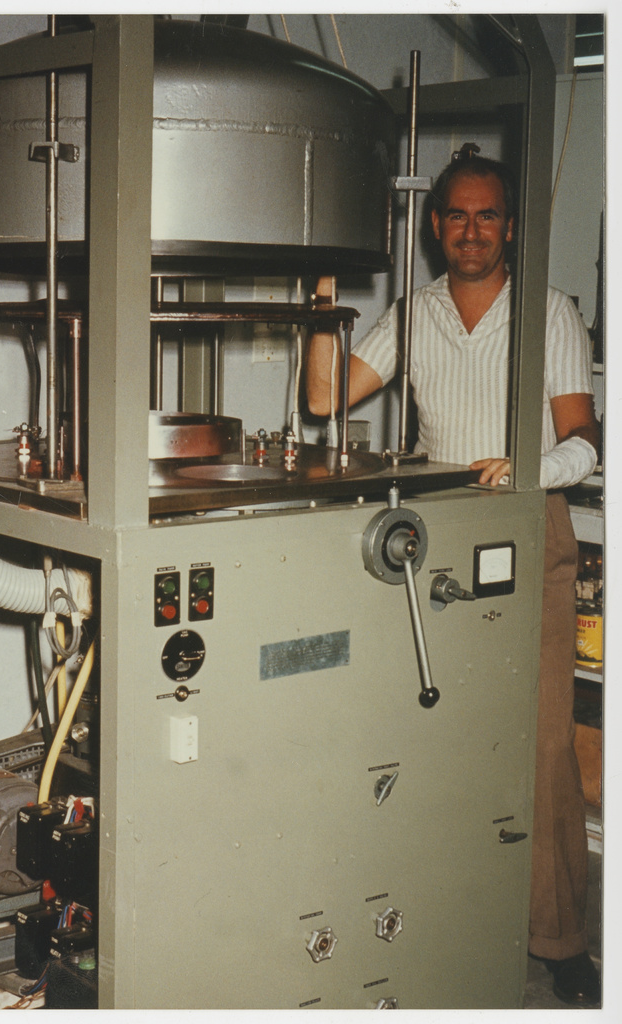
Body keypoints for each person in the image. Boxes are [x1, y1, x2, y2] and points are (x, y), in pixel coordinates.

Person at [306, 148, 601, 1007]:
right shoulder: (415, 312)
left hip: (528, 529)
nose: (472, 230)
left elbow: (585, 441)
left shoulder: (548, 311)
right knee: (433, 735)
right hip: (434, 539)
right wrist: (322, 304)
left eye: (488, 215)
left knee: (542, 744)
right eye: (458, 216)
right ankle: (441, 916)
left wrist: (526, 472)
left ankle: (560, 940)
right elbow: (325, 401)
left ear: (509, 227)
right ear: (436, 227)